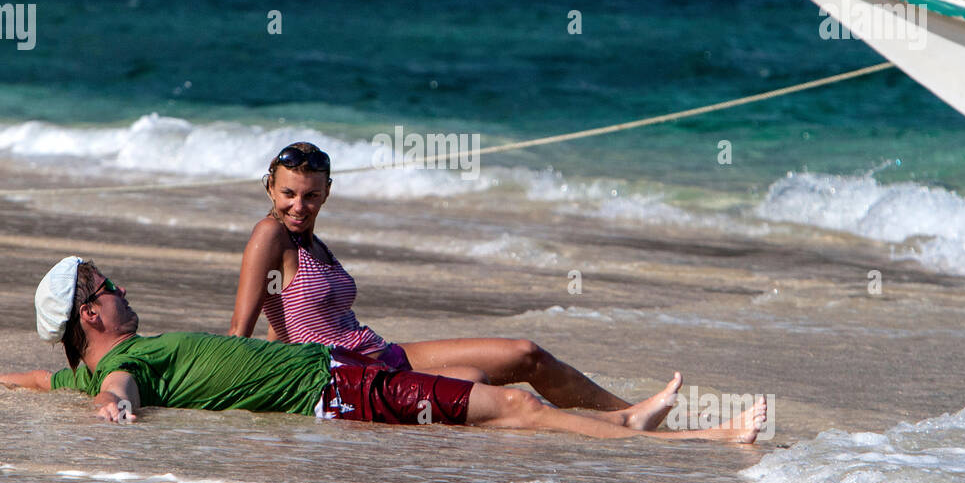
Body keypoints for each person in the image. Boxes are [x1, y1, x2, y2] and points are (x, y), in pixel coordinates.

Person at [0, 256, 767, 442]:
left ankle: (626, 419)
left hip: (345, 373)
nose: (123, 288)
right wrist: (117, 413)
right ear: (90, 311)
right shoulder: (118, 365)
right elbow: (116, 396)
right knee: (518, 409)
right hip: (339, 393)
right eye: (108, 285)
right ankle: (697, 440)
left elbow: (48, 379)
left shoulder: (84, 367)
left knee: (517, 372)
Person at [230, 143, 661, 411]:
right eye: (288, 194)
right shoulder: (269, 234)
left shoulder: (313, 243)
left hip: (383, 352)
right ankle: (617, 427)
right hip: (351, 374)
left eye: (311, 195)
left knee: (526, 353)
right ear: (270, 188)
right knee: (475, 380)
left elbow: (281, 324)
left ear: (328, 192)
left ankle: (626, 411)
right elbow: (240, 332)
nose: (299, 206)